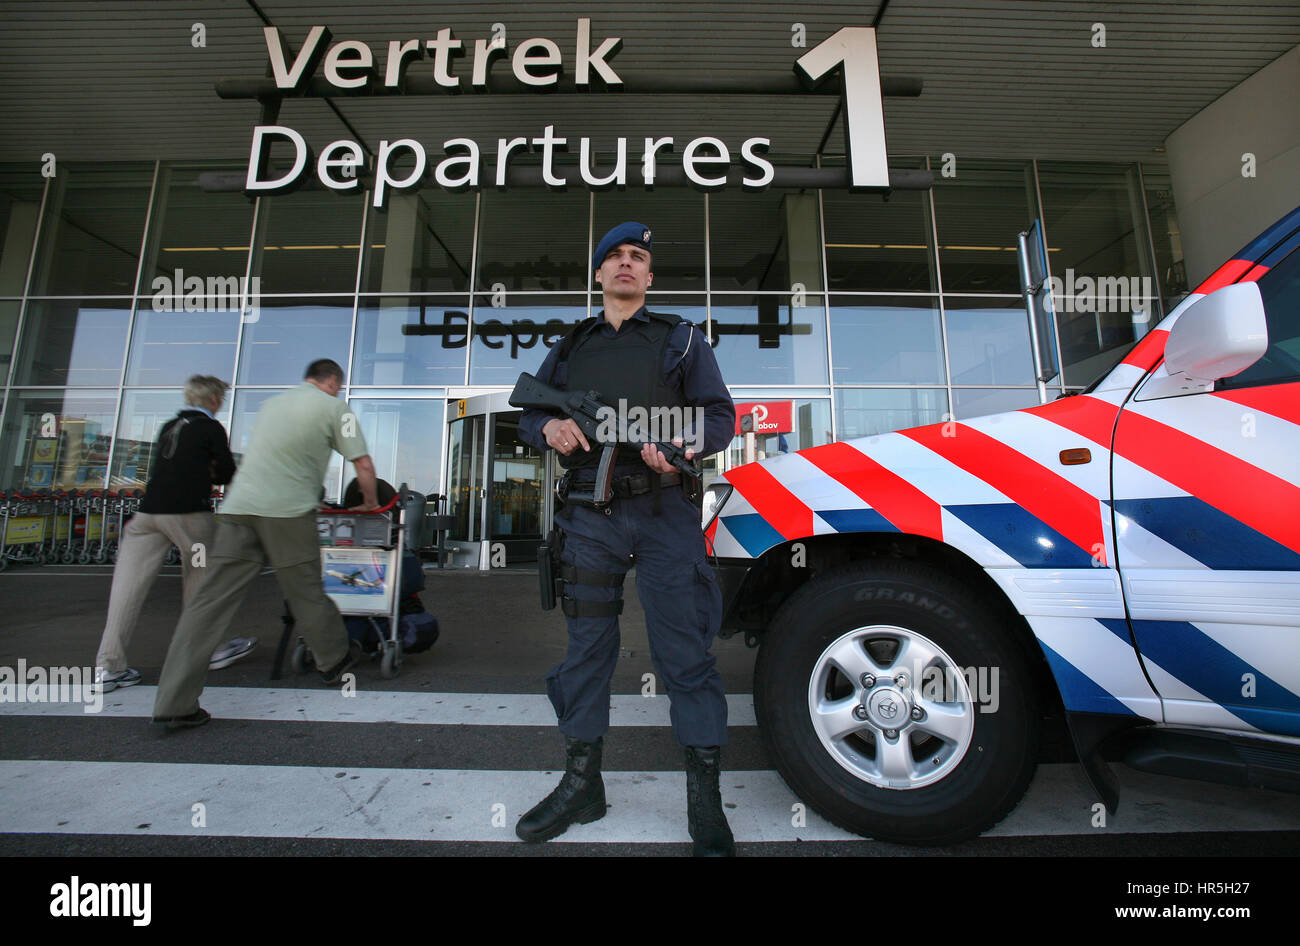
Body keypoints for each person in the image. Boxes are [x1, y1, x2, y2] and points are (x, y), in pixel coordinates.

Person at [515, 222, 738, 856]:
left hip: (665, 510)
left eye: (637, 257)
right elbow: (530, 411)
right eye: (613, 256)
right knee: (586, 648)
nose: (625, 265)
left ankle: (705, 801)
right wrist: (549, 428)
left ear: (648, 277)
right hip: (589, 515)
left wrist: (682, 447)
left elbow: (719, 415)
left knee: (685, 655)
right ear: (598, 274)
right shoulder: (573, 342)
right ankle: (583, 784)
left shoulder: (680, 338)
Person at [151, 359, 380, 729]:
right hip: (287, 513)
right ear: (333, 381)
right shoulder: (335, 407)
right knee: (305, 590)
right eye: (339, 385)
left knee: (207, 604)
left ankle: (173, 702)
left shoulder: (274, 404)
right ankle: (334, 660)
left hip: (239, 510)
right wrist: (369, 503)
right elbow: (363, 464)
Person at [92, 375, 255, 692]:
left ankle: (108, 667)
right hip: (189, 520)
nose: (220, 404)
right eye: (219, 399)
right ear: (212, 400)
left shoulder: (169, 426)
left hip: (147, 518)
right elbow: (225, 473)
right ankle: (212, 649)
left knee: (126, 590)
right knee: (200, 580)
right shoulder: (210, 428)